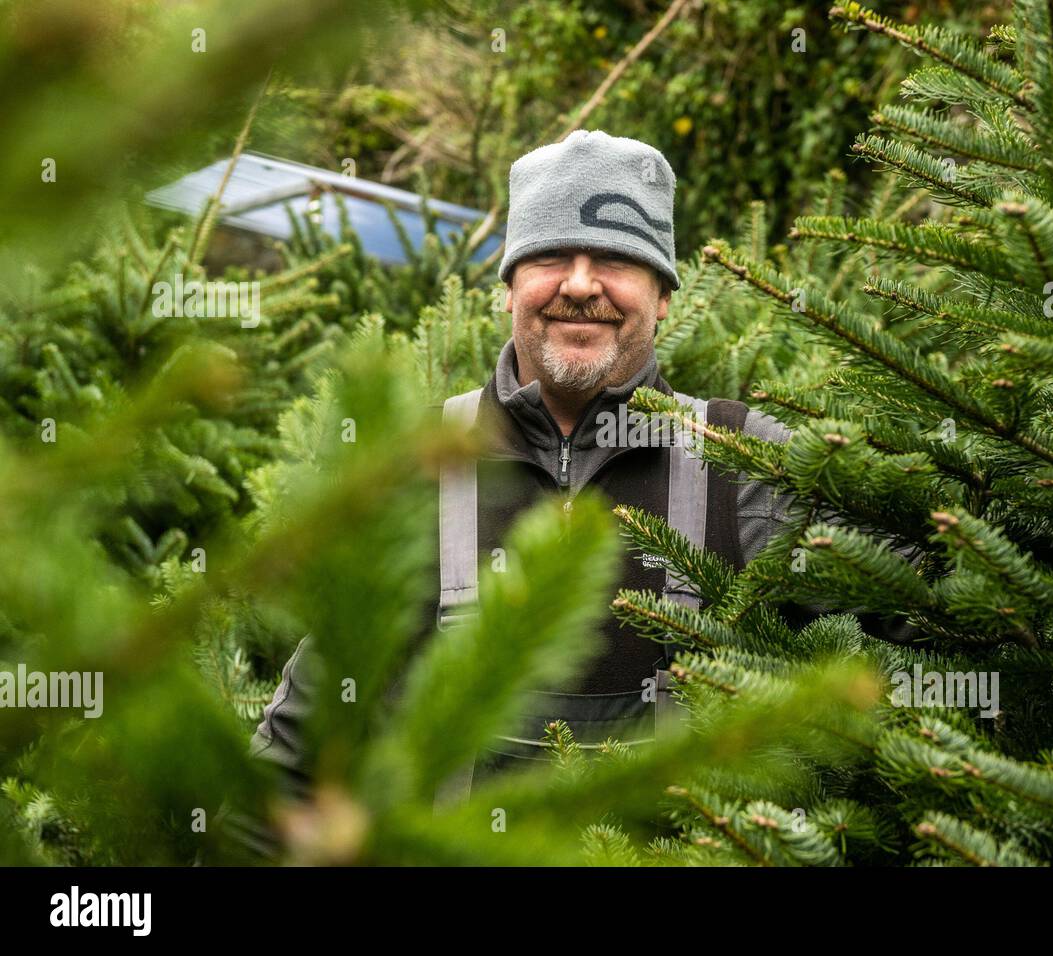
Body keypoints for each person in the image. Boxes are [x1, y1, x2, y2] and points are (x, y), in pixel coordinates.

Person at [242, 130, 917, 826]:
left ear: (663, 295)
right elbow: (297, 755)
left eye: (617, 259)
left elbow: (934, 605)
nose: (581, 283)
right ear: (510, 287)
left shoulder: (745, 462)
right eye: (552, 256)